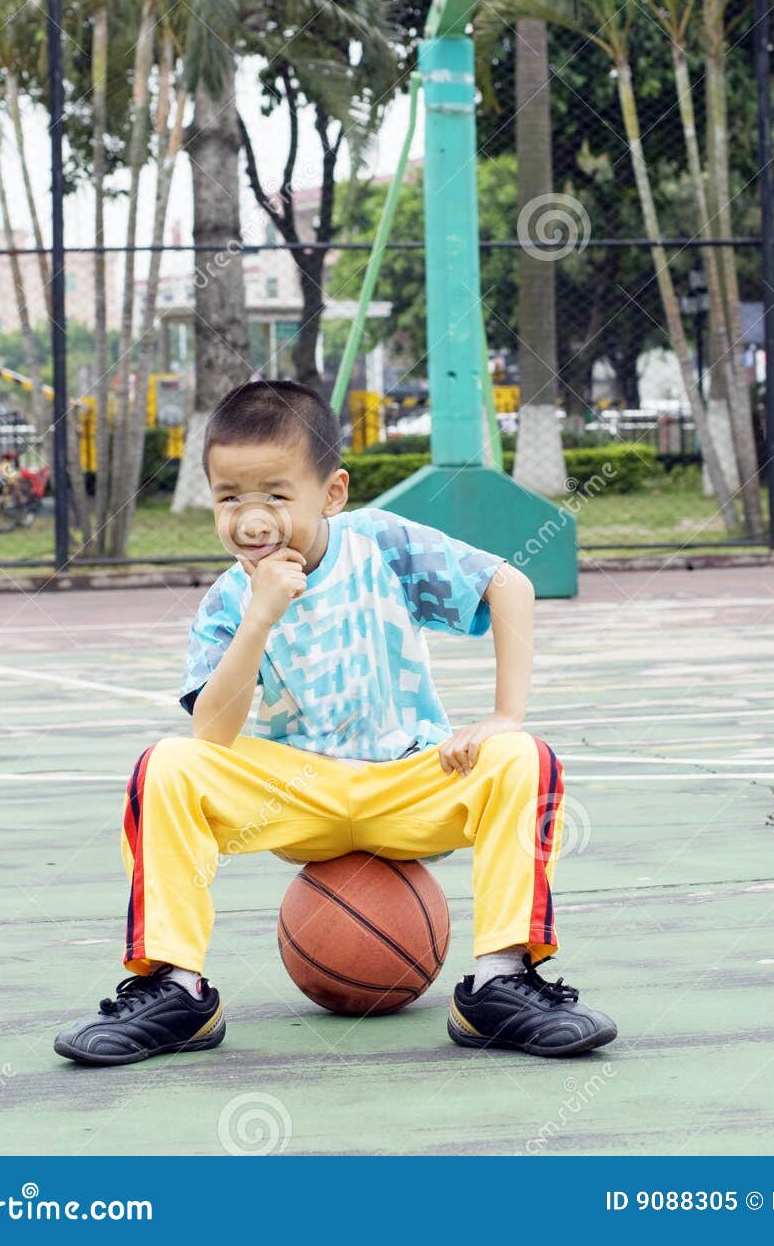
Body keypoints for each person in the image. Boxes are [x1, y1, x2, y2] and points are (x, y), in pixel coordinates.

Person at [54, 379, 617, 1065]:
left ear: (332, 493)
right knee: (166, 765)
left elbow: (509, 584)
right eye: (229, 497)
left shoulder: (378, 543)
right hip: (296, 794)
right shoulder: (230, 598)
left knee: (525, 757)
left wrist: (503, 715)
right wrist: (260, 615)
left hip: (408, 776)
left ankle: (500, 984)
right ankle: (175, 989)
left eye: (275, 495)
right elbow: (213, 737)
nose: (249, 518)